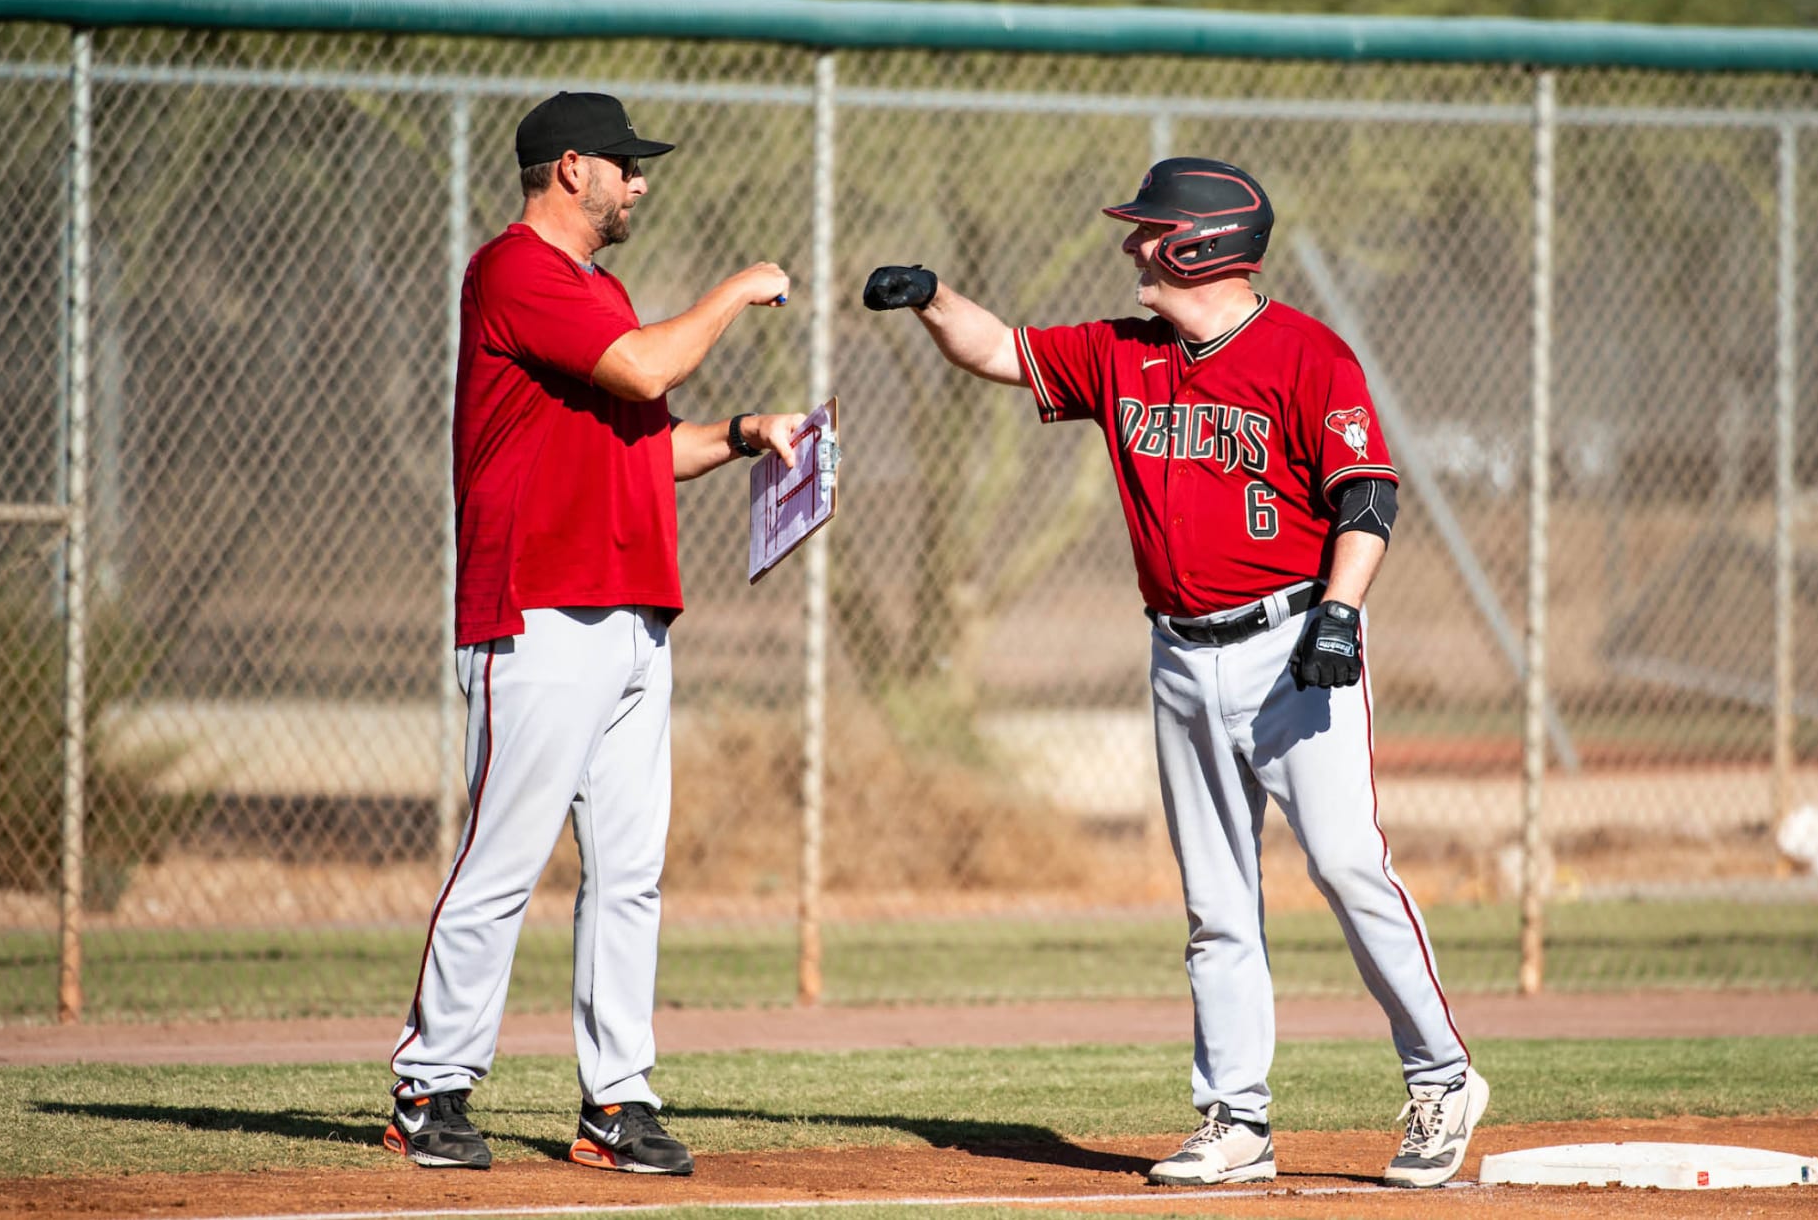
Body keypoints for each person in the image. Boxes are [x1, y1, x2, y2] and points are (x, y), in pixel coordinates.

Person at [861, 157, 1488, 1189]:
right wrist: (932, 298)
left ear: (1201, 245)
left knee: (1345, 866)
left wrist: (1340, 613)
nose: (1132, 247)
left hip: (1295, 647)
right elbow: (999, 350)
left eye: (1150, 233)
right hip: (1179, 651)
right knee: (1215, 901)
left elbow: (1367, 498)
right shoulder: (1122, 353)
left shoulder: (1306, 355)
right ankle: (1237, 1120)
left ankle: (1442, 1076)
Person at [384, 91, 800, 1176]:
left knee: (631, 872)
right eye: (626, 164)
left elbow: (648, 443)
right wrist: (737, 289)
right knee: (506, 861)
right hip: (537, 607)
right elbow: (649, 367)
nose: (640, 182)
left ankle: (616, 1100)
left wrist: (754, 436)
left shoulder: (600, 291)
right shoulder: (512, 270)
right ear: (571, 168)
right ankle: (430, 1087)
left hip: (629, 614)